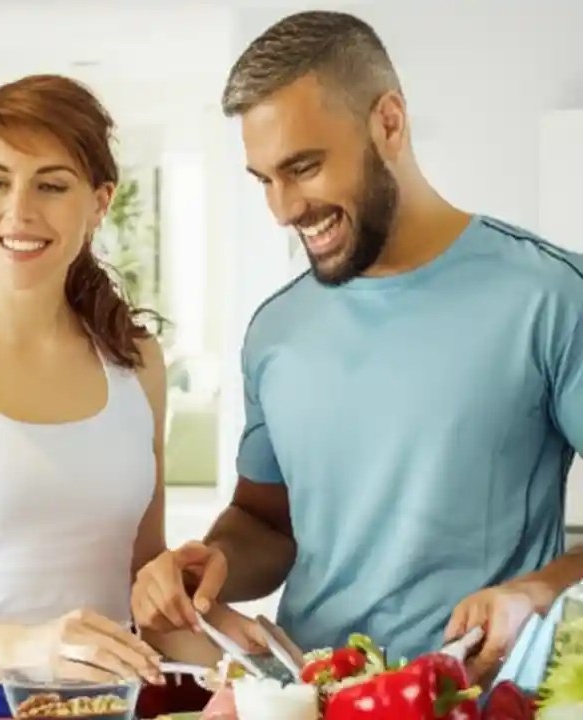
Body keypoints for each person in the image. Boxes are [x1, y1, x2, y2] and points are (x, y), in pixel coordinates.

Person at [131, 9, 583, 689]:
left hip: (479, 699)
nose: (283, 209)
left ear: (389, 123)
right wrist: (214, 558)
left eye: (304, 167)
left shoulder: (550, 296)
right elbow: (266, 521)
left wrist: (537, 592)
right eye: (264, 181)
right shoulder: (276, 332)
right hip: (312, 697)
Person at [0, 74, 259, 720]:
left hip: (103, 707)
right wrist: (31, 646)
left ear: (100, 202)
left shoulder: (138, 364)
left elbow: (146, 597)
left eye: (51, 185)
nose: (18, 212)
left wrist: (250, 669)